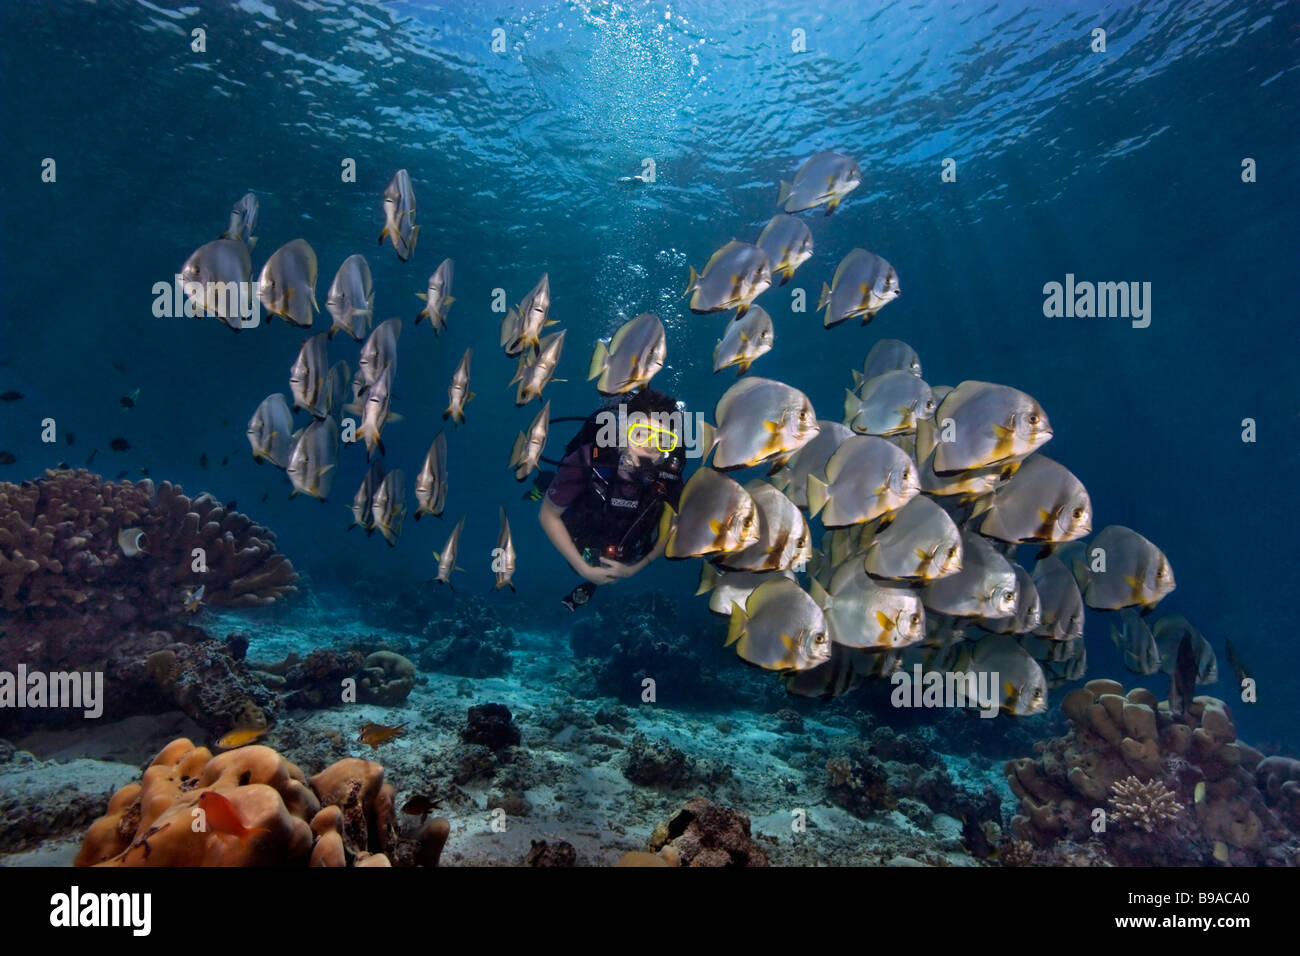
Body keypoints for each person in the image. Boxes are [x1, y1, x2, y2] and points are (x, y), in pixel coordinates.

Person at [537, 389, 686, 609]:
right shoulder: (588, 459)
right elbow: (548, 515)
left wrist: (634, 568)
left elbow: (673, 525)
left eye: (662, 440)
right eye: (640, 434)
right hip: (580, 541)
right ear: (621, 431)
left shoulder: (667, 475)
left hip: (630, 551)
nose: (649, 448)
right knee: (548, 486)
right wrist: (582, 568)